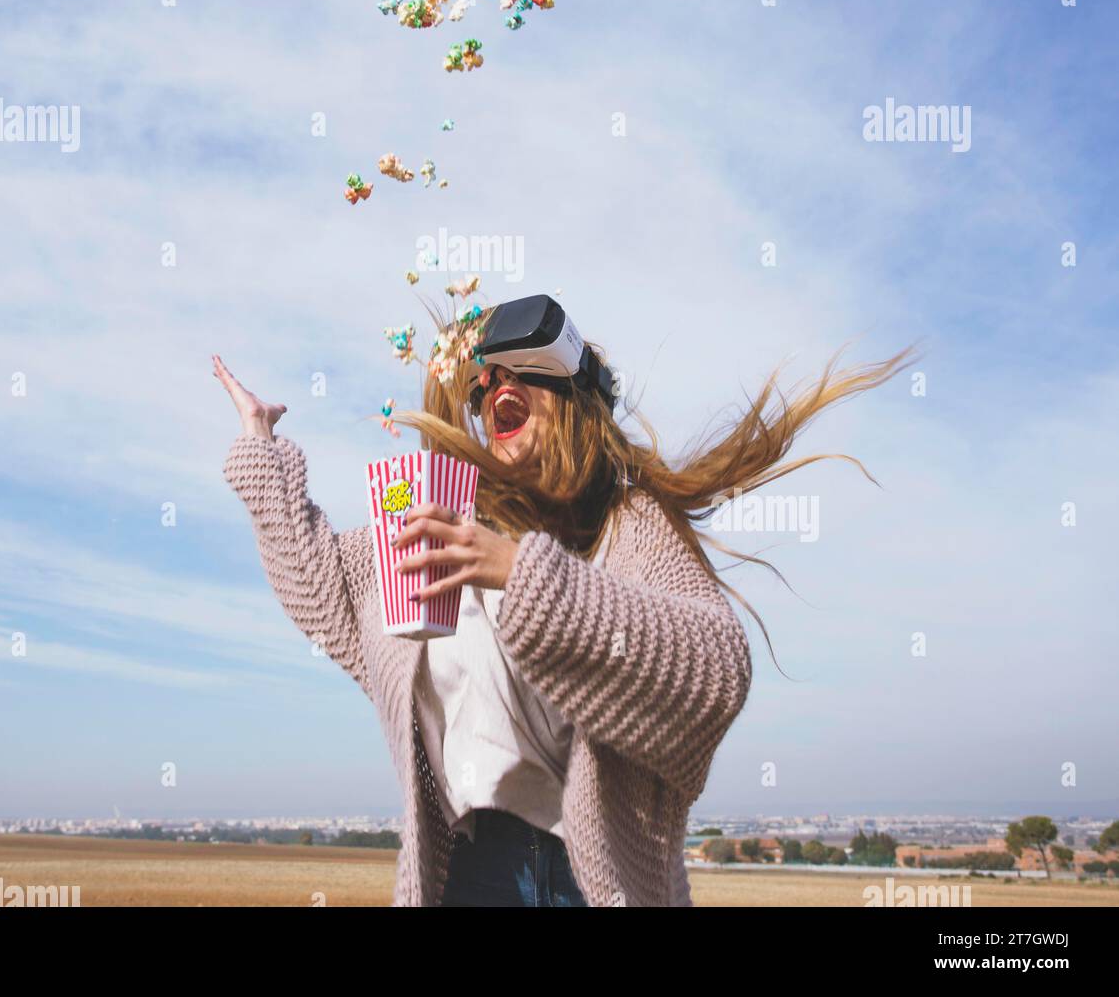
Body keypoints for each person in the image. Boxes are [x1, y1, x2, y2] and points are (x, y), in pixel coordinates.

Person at [213, 295, 911, 907]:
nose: (492, 387)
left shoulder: (629, 525)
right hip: (467, 873)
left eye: (518, 372)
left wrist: (522, 575)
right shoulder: (442, 521)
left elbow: (717, 671)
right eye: (480, 385)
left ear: (575, 397)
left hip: (593, 881)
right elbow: (322, 587)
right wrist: (259, 446)